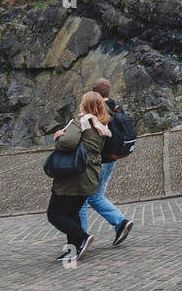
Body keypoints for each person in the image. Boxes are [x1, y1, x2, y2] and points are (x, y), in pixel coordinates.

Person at [47, 91, 112, 263]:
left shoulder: (81, 121)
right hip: (90, 177)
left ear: (86, 105)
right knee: (72, 212)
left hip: (73, 177)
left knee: (54, 214)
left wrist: (58, 138)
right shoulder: (102, 125)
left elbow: (68, 143)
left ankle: (82, 237)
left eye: (82, 102)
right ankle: (73, 248)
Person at [77, 78, 134, 247]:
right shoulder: (116, 106)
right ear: (109, 91)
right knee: (95, 196)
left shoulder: (97, 109)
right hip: (111, 159)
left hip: (97, 161)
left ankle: (80, 238)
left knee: (82, 198)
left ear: (94, 93)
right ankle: (120, 222)